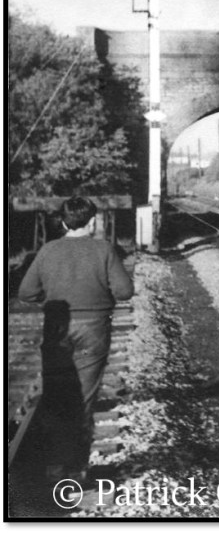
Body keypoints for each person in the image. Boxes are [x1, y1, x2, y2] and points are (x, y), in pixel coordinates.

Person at [18, 196, 134, 482]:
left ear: (64, 221)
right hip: (93, 330)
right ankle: (76, 468)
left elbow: (26, 293)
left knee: (57, 396)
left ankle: (54, 465)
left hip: (59, 331)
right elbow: (124, 291)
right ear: (92, 221)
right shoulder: (104, 249)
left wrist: (55, 294)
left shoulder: (48, 250)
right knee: (83, 398)